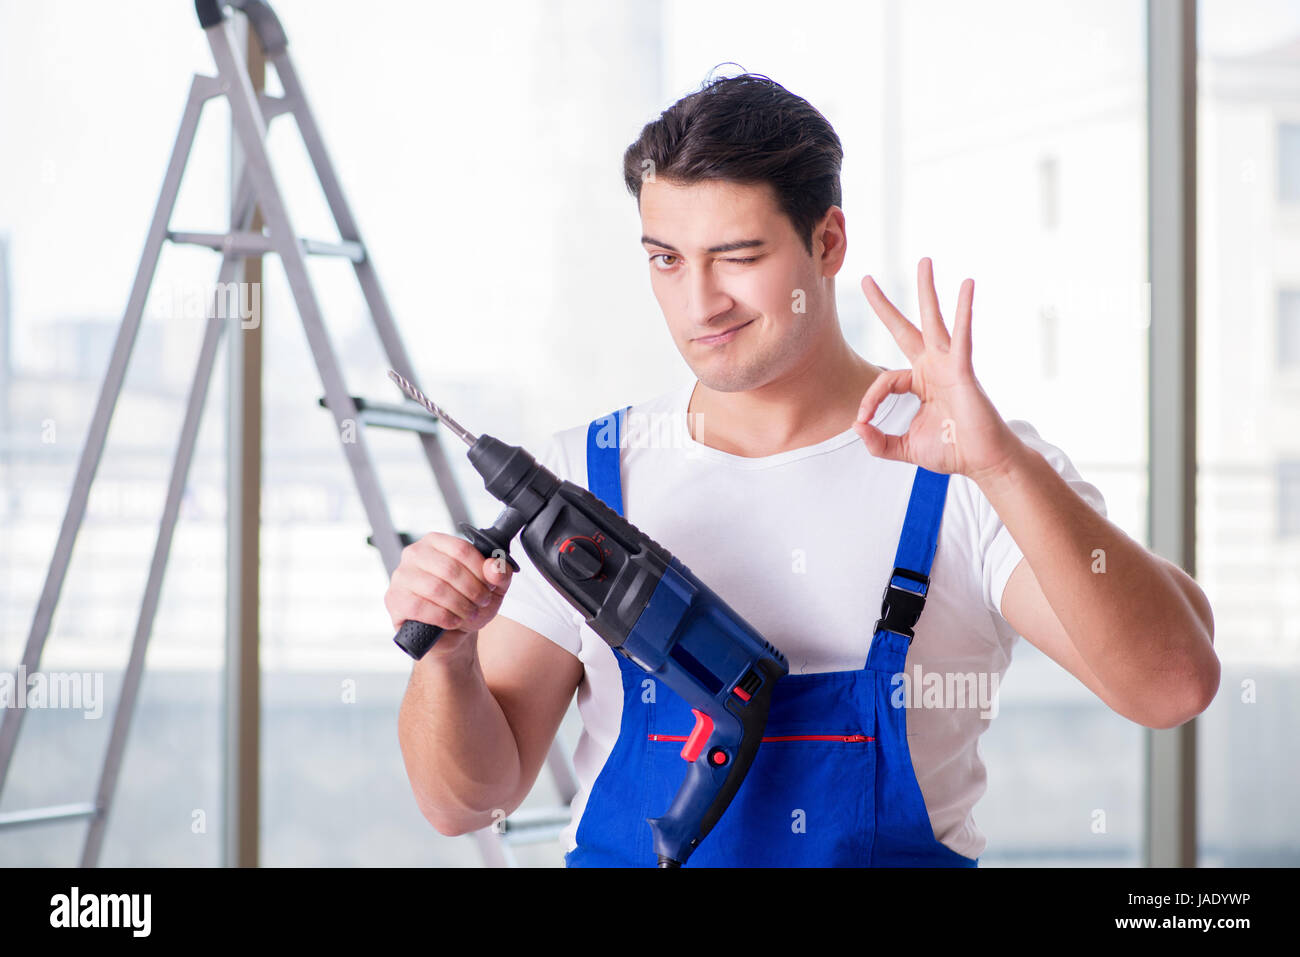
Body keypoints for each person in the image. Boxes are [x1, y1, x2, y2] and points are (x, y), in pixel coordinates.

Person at [390, 72, 1219, 867]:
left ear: (827, 242)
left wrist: (1002, 464)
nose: (698, 304)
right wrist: (450, 656)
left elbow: (1172, 686)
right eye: (666, 259)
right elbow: (466, 801)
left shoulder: (968, 467)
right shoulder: (585, 481)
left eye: (737, 256)